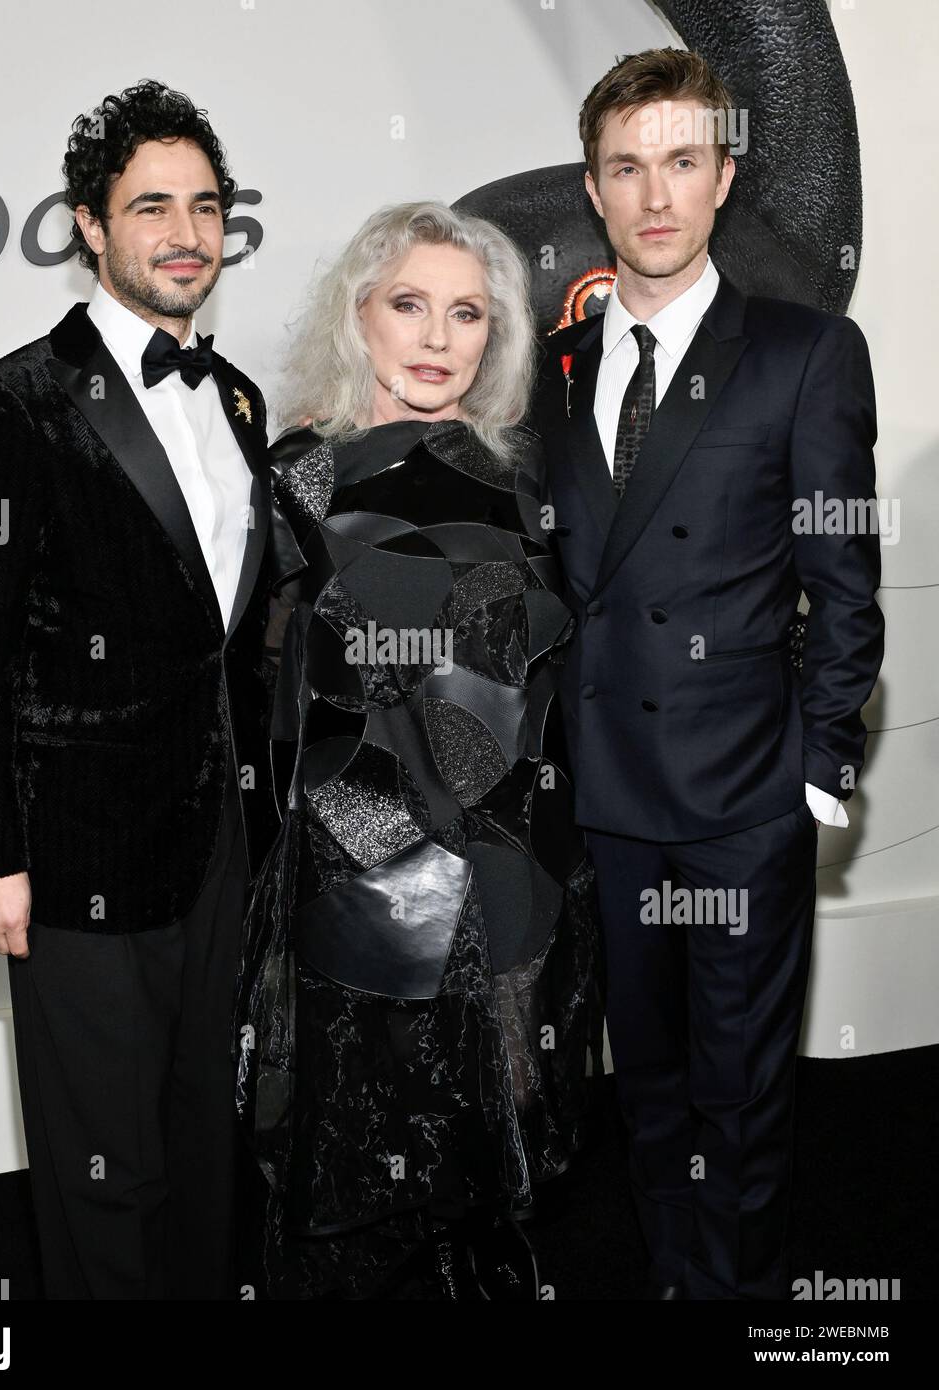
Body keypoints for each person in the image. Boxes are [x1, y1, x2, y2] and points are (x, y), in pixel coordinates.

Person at [532, 48, 884, 1300]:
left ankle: (734, 1296)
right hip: (611, 802)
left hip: (742, 797)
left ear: (725, 176)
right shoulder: (561, 366)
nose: (656, 194)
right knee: (650, 1084)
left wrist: (822, 764)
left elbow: (845, 577)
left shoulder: (803, 351)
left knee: (739, 1091)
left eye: (682, 161)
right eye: (628, 168)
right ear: (594, 187)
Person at [0, 80, 279, 1298]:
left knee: (206, 1145)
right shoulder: (10, 405)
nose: (185, 231)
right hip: (74, 851)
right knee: (104, 1169)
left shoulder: (238, 400)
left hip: (223, 842)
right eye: (151, 207)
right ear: (90, 225)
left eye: (206, 205)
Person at [233, 201, 605, 1300]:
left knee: (497, 1191)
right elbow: (254, 698)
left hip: (519, 873)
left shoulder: (527, 487)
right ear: (361, 318)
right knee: (361, 1191)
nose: (440, 338)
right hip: (363, 876)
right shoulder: (298, 477)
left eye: (469, 314)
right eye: (411, 306)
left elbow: (555, 685)